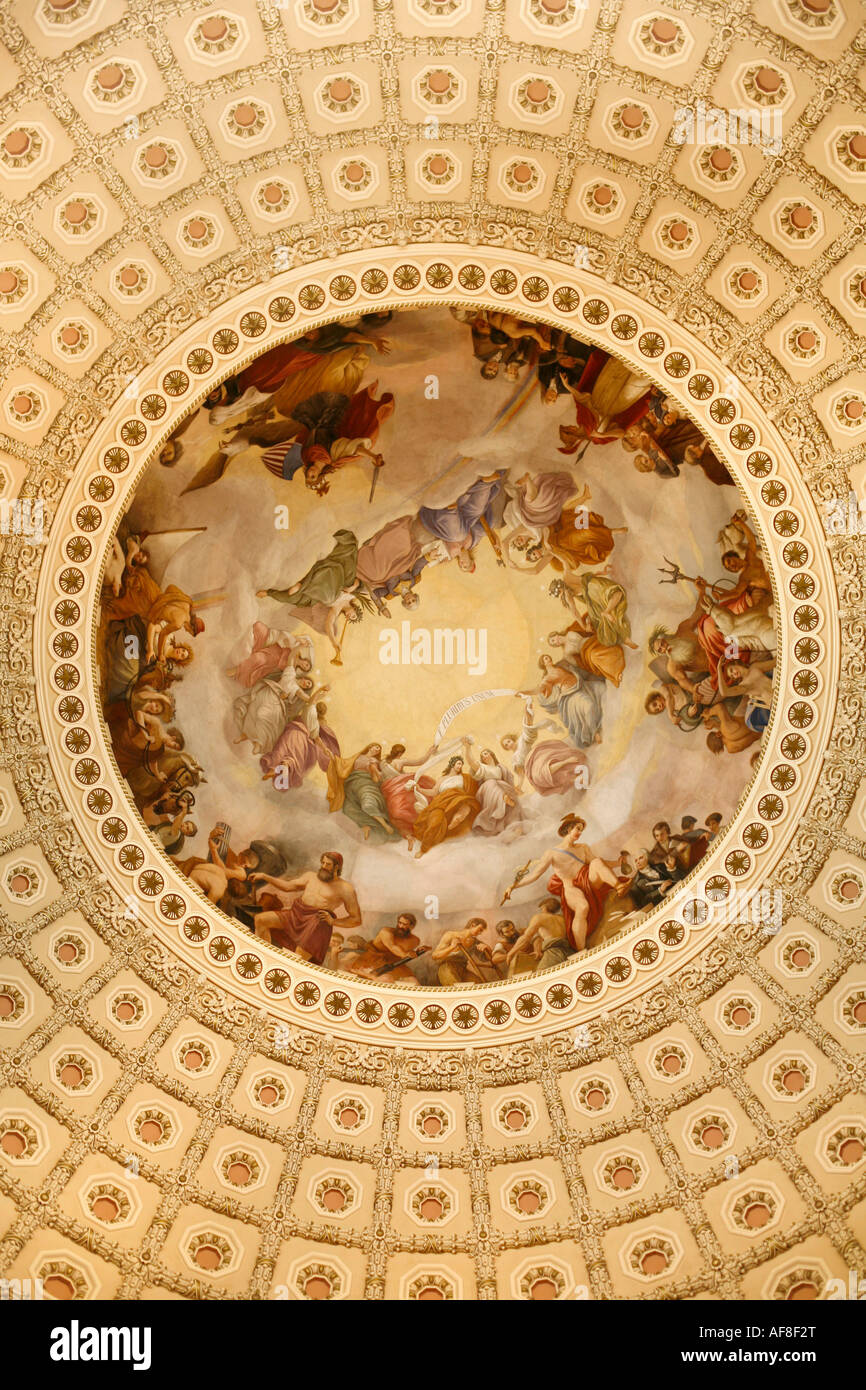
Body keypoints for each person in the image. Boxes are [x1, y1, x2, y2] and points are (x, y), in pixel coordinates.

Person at [501, 814, 628, 951]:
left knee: (596, 862)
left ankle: (619, 886)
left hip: (587, 880)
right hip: (571, 887)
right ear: (568, 829)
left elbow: (599, 864)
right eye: (577, 829)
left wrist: (617, 863)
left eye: (581, 830)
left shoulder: (583, 848)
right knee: (582, 907)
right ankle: (581, 950)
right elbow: (535, 874)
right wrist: (512, 887)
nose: (579, 833)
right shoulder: (552, 853)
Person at [251, 852, 360, 964]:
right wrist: (265, 877)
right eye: (323, 863)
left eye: (328, 864)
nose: (323, 866)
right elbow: (288, 886)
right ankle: (262, 959)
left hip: (317, 923)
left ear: (336, 867)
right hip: (296, 914)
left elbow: (356, 919)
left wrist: (333, 921)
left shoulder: (345, 888)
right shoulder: (310, 876)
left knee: (296, 958)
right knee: (260, 919)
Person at [326, 743, 400, 842]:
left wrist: (376, 773)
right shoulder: (358, 757)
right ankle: (366, 825)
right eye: (377, 747)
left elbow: (376, 776)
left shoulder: (374, 761)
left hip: (365, 783)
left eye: (379, 750)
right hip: (351, 784)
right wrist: (331, 755)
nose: (377, 750)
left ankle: (385, 825)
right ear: (370, 747)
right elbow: (343, 764)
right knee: (348, 809)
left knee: (368, 805)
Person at [412, 753, 481, 858]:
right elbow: (434, 792)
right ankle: (424, 848)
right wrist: (420, 789)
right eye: (458, 763)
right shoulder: (442, 779)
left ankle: (456, 819)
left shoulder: (464, 777)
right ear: (452, 764)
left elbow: (475, 783)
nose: (460, 766)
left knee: (466, 805)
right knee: (435, 822)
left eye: (461, 765)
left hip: (458, 799)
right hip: (442, 802)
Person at [347, 913, 427, 981]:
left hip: (393, 964)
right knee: (384, 979)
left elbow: (407, 952)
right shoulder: (386, 932)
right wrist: (405, 954)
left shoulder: (415, 940)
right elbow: (393, 947)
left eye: (404, 924)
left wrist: (418, 951)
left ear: (411, 926)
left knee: (413, 981)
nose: (400, 926)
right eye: (399, 923)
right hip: (372, 960)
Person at [503, 898, 574, 973]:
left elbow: (525, 938)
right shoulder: (562, 918)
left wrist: (511, 953)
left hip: (553, 954)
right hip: (568, 952)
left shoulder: (539, 917)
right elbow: (539, 938)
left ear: (544, 907)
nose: (541, 910)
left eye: (541, 908)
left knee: (540, 976)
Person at [430, 919, 494, 984]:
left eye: (481, 931)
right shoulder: (451, 935)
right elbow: (435, 956)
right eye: (480, 929)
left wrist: (488, 948)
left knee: (479, 984)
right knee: (455, 988)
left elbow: (487, 959)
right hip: (447, 968)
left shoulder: (475, 942)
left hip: (463, 970)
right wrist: (451, 947)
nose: (480, 933)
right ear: (472, 925)